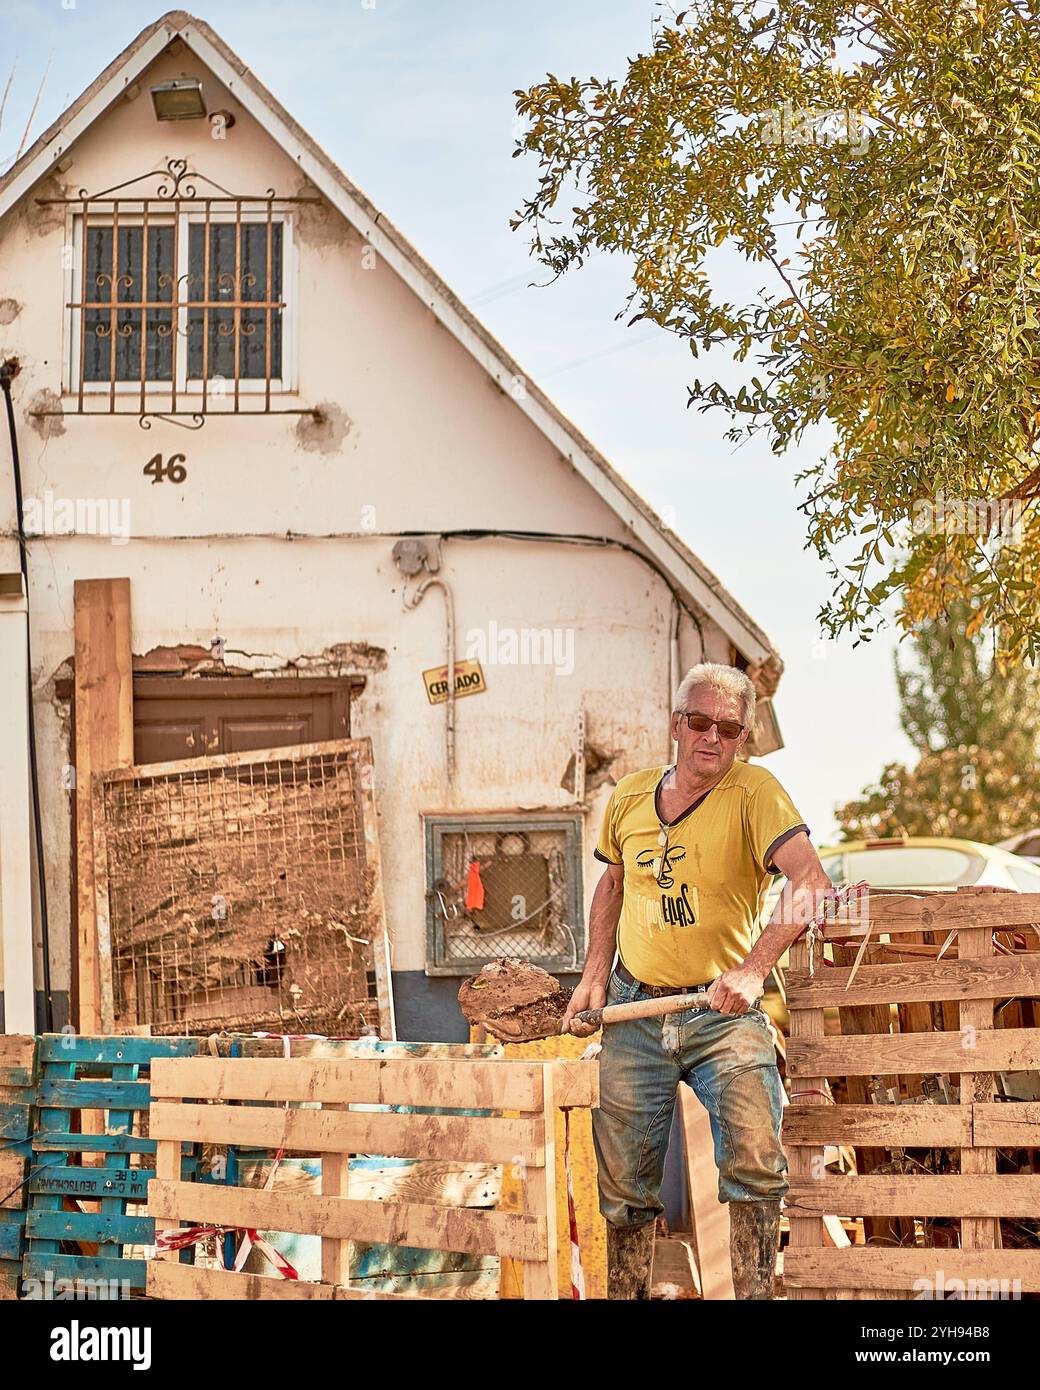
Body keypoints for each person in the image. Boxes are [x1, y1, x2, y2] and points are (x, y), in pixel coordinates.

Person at [563, 662, 833, 1299]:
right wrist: (594, 976)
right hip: (634, 1006)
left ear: (742, 737)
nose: (714, 737)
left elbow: (812, 884)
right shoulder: (629, 796)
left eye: (730, 728)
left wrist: (753, 969)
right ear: (677, 725)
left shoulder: (755, 793)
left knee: (757, 1164)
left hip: (723, 1013)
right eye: (701, 722)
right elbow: (612, 882)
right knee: (625, 1184)